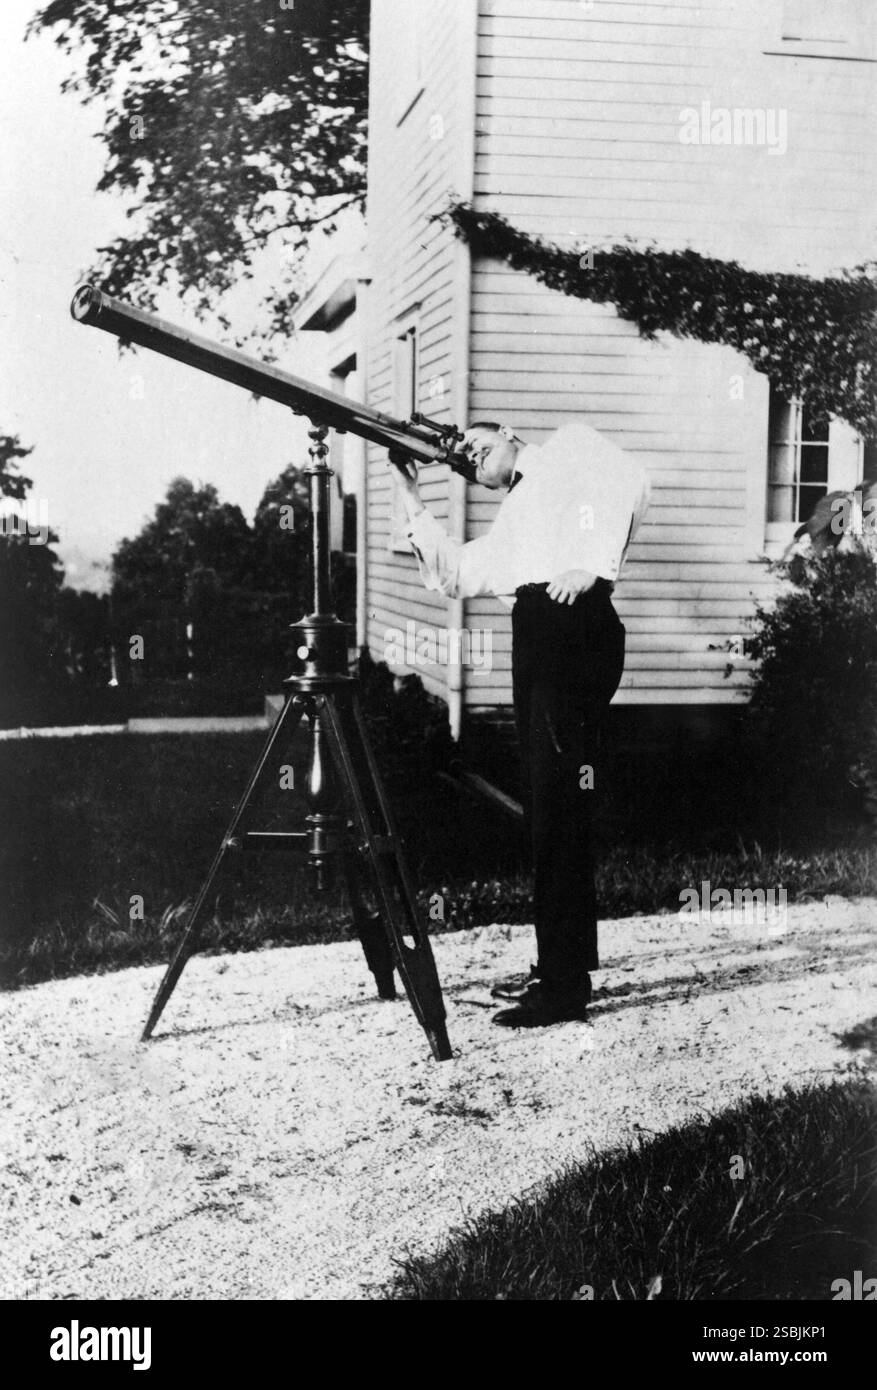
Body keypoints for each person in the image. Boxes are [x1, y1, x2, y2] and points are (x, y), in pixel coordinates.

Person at [392, 419, 649, 1026]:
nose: (475, 458)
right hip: (536, 635)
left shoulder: (567, 449)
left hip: (576, 628)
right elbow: (452, 574)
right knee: (546, 805)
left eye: (480, 444)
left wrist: (594, 566)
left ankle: (564, 989)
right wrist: (407, 491)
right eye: (467, 462)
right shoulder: (513, 519)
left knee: (559, 805)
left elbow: (627, 480)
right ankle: (558, 966)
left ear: (509, 433)